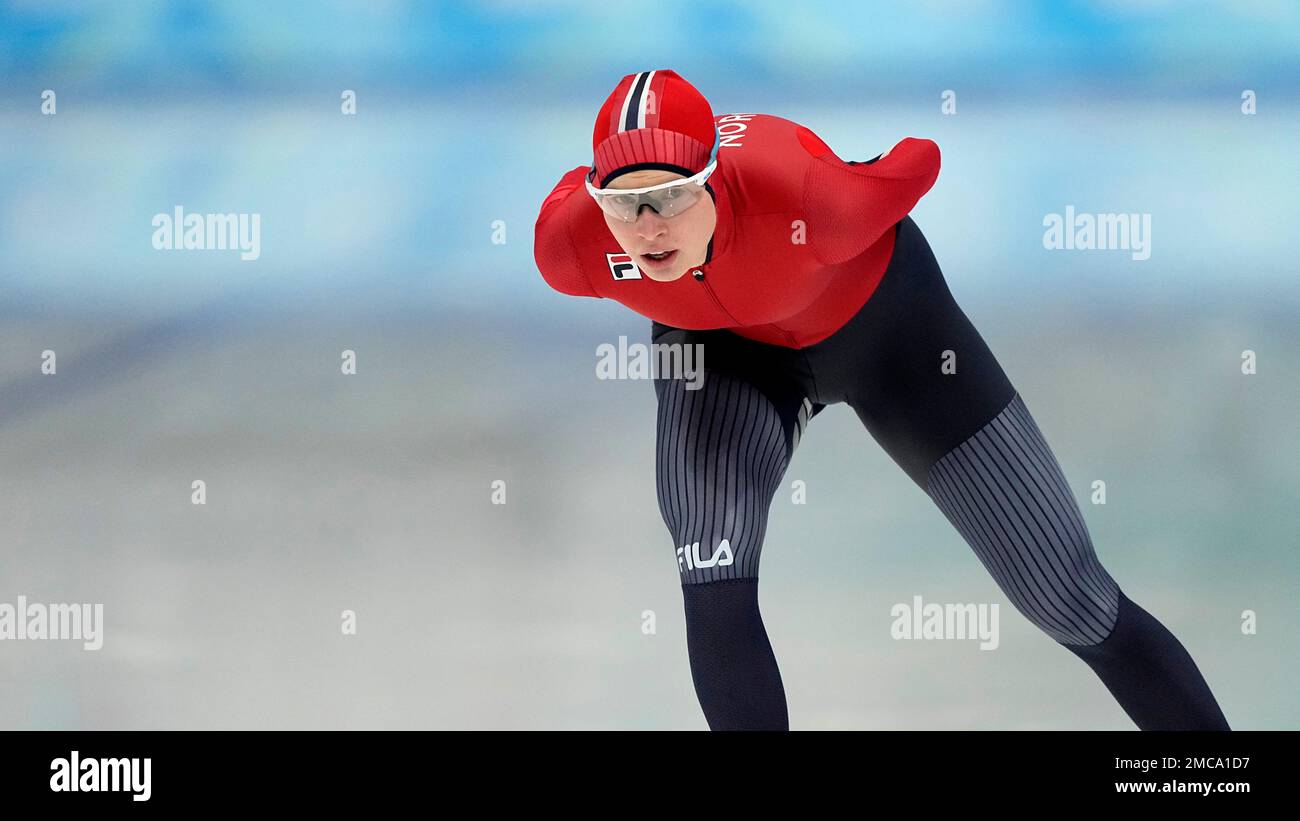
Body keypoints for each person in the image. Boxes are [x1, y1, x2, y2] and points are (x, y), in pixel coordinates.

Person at [533, 68, 1230, 731]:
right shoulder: (573, 246)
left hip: (889, 331)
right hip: (726, 354)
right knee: (712, 561)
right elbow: (584, 199)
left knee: (1069, 599)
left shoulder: (814, 201)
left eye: (674, 194)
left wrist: (854, 164)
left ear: (713, 177)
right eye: (626, 202)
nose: (650, 225)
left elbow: (916, 159)